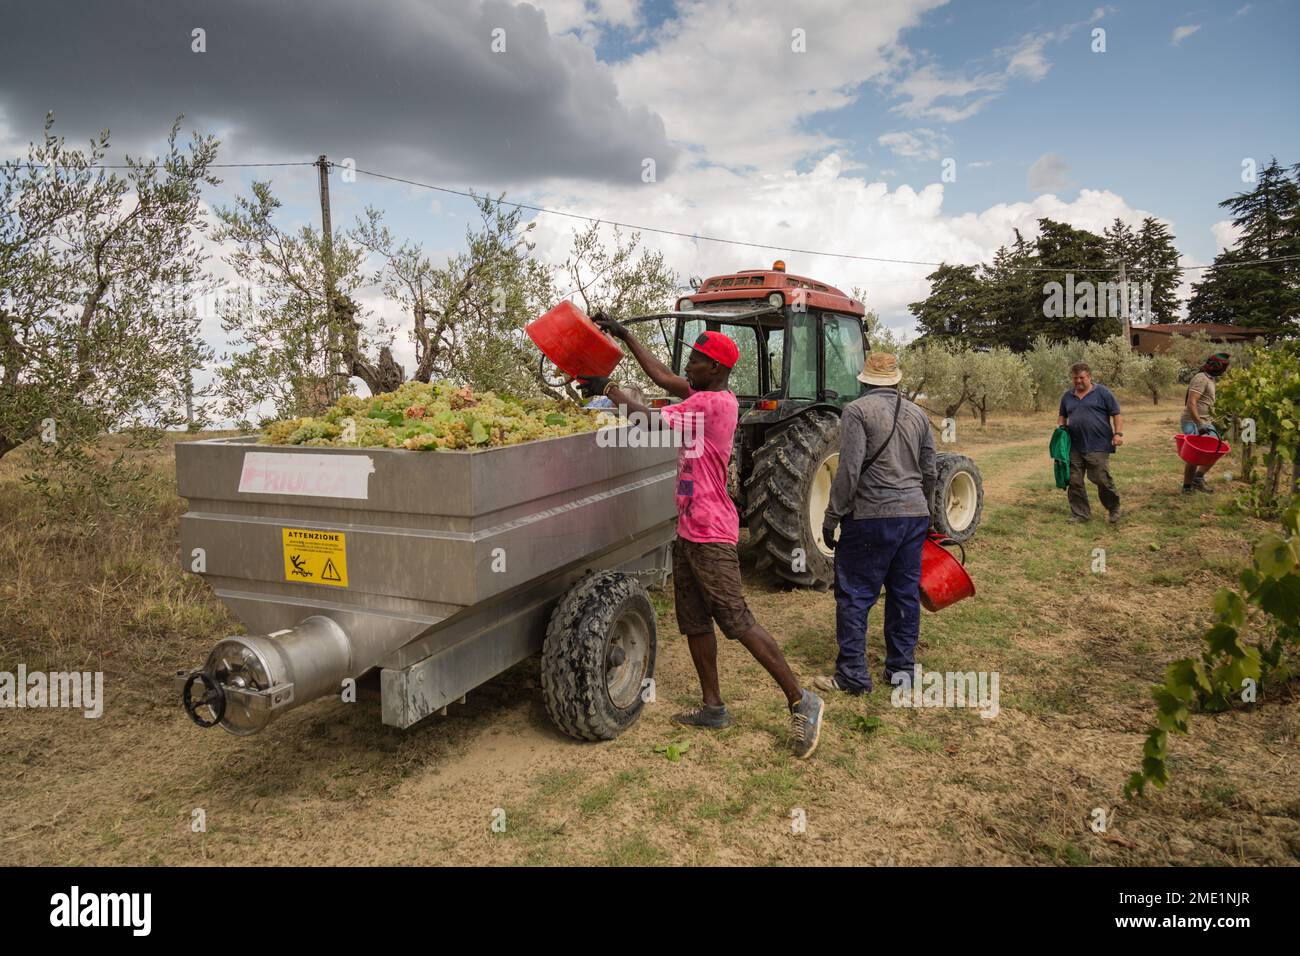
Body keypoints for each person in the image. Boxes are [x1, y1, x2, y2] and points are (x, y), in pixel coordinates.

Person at [576, 314, 824, 759]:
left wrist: (607, 391)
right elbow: (664, 377)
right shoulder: (705, 391)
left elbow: (650, 421)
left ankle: (800, 699)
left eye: (695, 362)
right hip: (689, 526)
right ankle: (713, 707)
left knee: (736, 621)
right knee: (693, 621)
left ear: (717, 369)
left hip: (711, 531)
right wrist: (626, 333)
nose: (687, 367)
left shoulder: (712, 406)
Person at [813, 352, 936, 696]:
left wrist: (831, 516)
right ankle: (902, 672)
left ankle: (853, 674)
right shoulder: (918, 414)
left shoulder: (856, 411)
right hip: (913, 516)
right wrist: (925, 510)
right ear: (896, 381)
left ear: (864, 380)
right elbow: (930, 469)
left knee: (854, 593)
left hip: (870, 515)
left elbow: (849, 470)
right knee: (904, 594)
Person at [1058, 362, 1124, 524]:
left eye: (1081, 377)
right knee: (1074, 481)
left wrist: (1118, 434)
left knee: (1101, 479)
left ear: (1089, 377)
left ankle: (1113, 508)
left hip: (1099, 444)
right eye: (1075, 378)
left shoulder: (1103, 393)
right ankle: (1081, 514)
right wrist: (1061, 428)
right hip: (1074, 445)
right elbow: (1062, 415)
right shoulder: (1067, 396)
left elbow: (1116, 414)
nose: (1078, 381)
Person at [1180, 353, 1230, 494]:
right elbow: (1191, 402)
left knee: (1217, 449)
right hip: (1193, 421)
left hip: (1204, 421)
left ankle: (1198, 479)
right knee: (1194, 454)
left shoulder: (1210, 379)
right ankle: (1187, 487)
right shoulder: (1201, 378)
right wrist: (1199, 424)